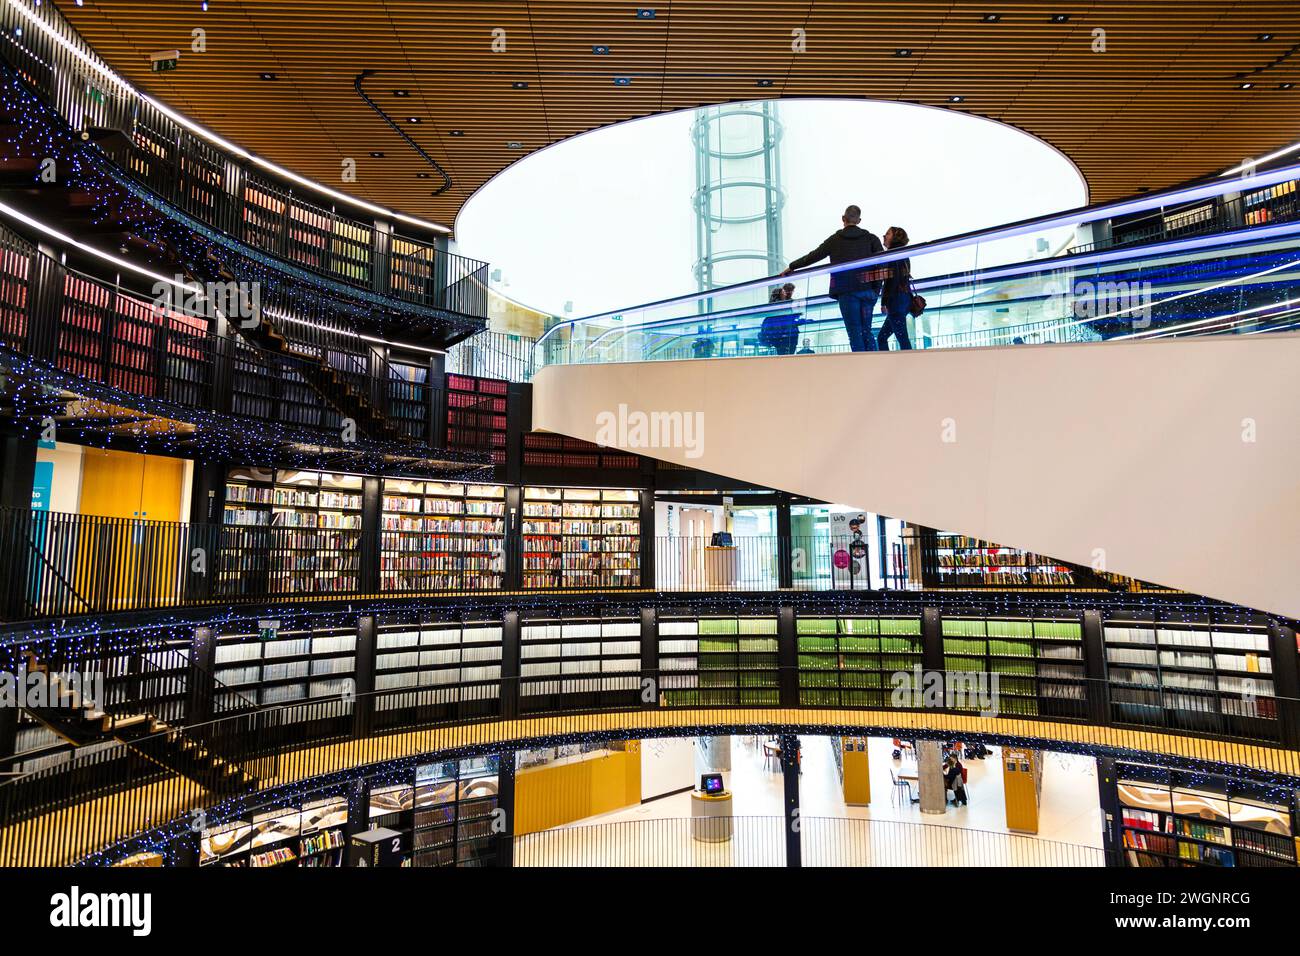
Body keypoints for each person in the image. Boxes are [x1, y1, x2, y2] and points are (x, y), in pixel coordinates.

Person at [782, 205, 884, 353]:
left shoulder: (835, 240)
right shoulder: (871, 239)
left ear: (843, 218)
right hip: (868, 291)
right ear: (859, 220)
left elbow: (813, 256)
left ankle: (862, 367)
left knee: (854, 332)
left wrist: (792, 266)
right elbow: (882, 263)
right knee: (866, 330)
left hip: (846, 292)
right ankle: (874, 363)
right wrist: (876, 289)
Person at [877, 226, 913, 351]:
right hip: (903, 300)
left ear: (895, 237)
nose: (884, 236)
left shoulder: (893, 255)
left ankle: (911, 365)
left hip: (896, 301)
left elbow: (891, 281)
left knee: (902, 339)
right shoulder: (903, 254)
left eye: (888, 234)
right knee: (882, 337)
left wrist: (884, 302)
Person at [758, 283, 800, 355]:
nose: (790, 293)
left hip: (787, 334)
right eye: (789, 291)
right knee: (783, 353)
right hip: (782, 333)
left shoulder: (790, 302)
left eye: (791, 291)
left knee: (786, 354)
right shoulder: (778, 298)